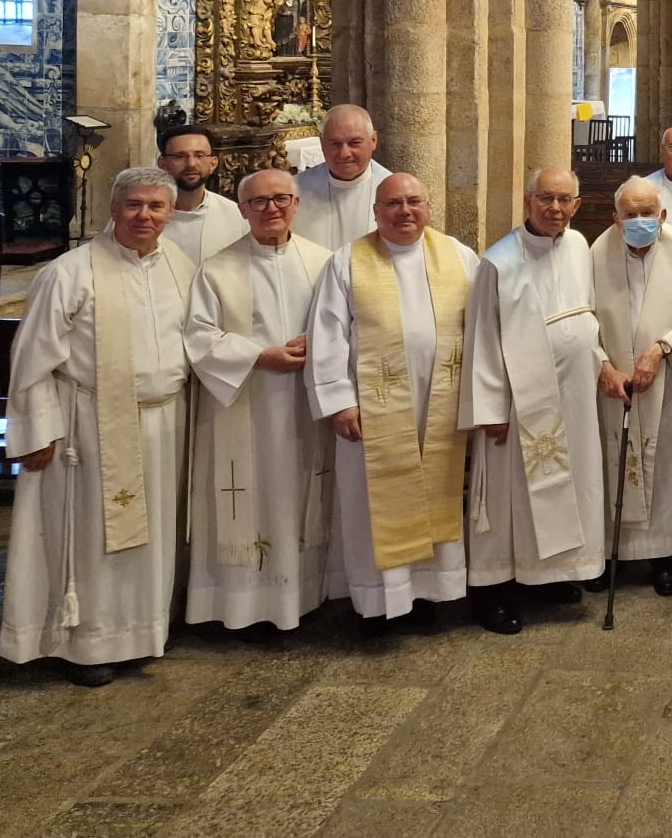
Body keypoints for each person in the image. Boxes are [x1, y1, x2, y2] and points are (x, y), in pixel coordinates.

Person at [0, 168, 193, 685]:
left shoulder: (178, 264)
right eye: (133, 204)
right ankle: (85, 644)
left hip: (162, 424)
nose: (144, 215)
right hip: (87, 427)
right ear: (113, 208)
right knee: (92, 538)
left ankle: (141, 633)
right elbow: (31, 357)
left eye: (155, 206)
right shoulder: (70, 272)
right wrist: (37, 430)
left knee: (151, 540)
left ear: (171, 213)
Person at [304, 172, 481, 633]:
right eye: (394, 204)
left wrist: (480, 398)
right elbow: (327, 334)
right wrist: (340, 401)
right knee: (372, 501)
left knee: (438, 492)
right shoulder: (348, 261)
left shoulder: (459, 256)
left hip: (442, 403)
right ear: (377, 212)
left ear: (428, 207)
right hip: (373, 408)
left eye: (414, 202)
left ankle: (432, 593)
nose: (405, 211)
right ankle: (378, 601)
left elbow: (484, 327)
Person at [184, 168, 333, 633]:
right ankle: (241, 606)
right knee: (245, 497)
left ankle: (303, 596)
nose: (272, 209)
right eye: (259, 202)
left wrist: (318, 342)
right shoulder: (216, 269)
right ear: (243, 210)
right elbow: (198, 337)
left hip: (305, 409)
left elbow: (344, 323)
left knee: (299, 495)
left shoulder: (324, 263)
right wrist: (259, 356)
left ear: (297, 204)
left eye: (281, 199)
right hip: (242, 404)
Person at [460, 168, 607, 635]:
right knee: (509, 501)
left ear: (577, 205)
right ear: (527, 201)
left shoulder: (579, 246)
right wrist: (490, 409)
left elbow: (585, 314)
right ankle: (493, 591)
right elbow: (483, 337)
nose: (555, 209)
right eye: (545, 198)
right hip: (517, 404)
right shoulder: (498, 262)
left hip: (573, 397)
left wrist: (599, 362)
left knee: (567, 486)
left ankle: (549, 575)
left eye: (564, 200)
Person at [589, 176, 672, 597]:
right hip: (613, 383)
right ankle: (609, 554)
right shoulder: (597, 251)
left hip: (665, 382)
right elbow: (584, 315)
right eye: (630, 214)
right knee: (612, 462)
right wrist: (603, 365)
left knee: (667, 465)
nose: (640, 220)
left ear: (663, 215)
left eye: (647, 213)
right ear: (616, 218)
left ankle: (665, 557)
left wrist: (660, 350)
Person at [293, 105, 394, 250]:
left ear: (373, 141)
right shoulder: (295, 190)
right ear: (322, 143)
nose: (344, 153)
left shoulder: (395, 193)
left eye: (354, 143)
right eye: (335, 144)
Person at [156, 122, 248, 267]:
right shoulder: (144, 216)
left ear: (213, 164)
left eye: (199, 155)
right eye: (180, 156)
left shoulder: (235, 215)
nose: (191, 164)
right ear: (163, 164)